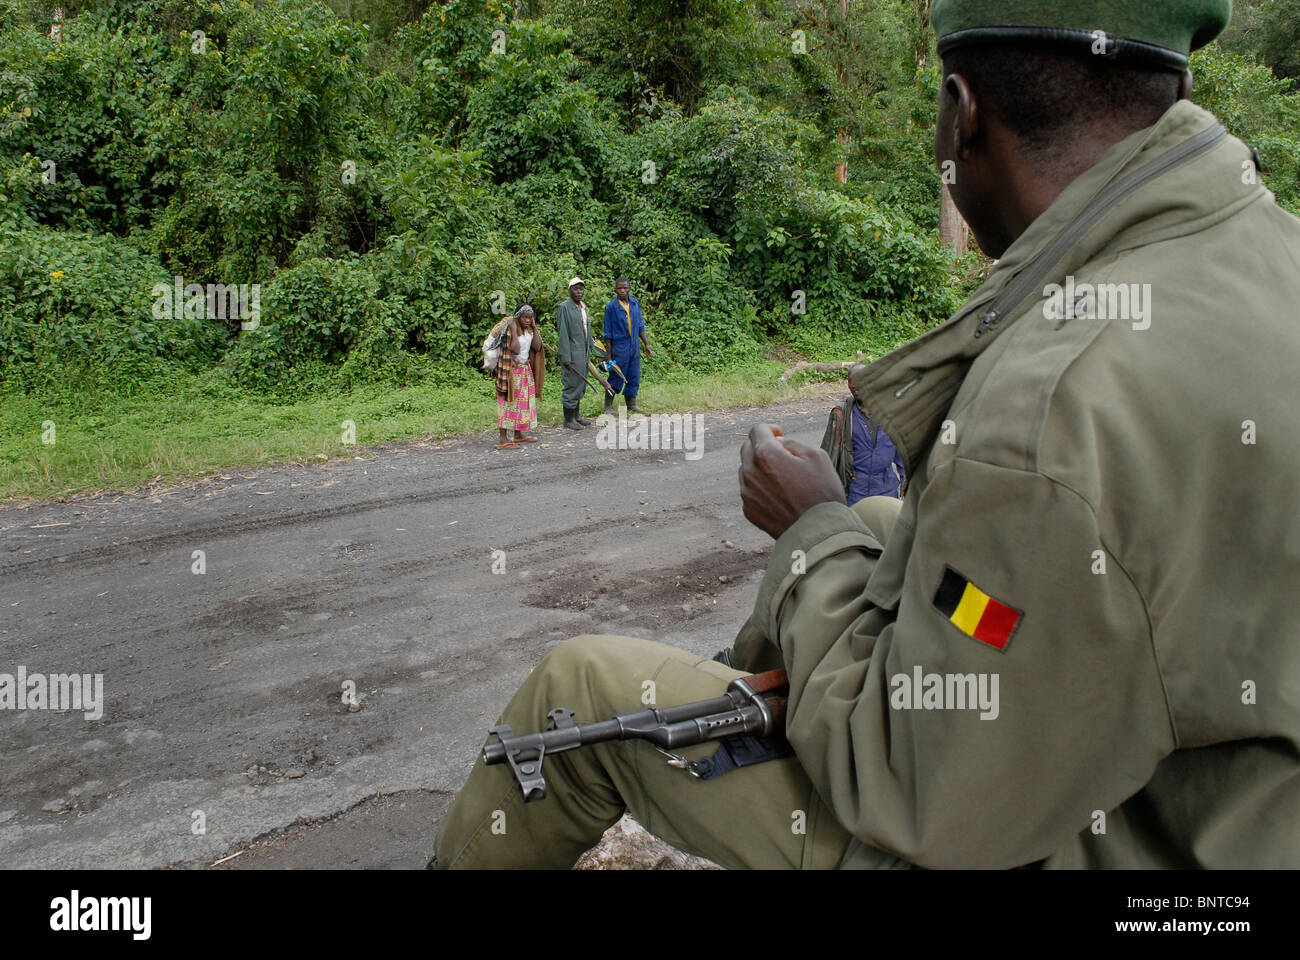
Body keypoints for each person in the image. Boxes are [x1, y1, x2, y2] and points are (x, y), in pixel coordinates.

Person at [434, 0, 1300, 869]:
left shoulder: (1053, 401)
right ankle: (758, 688)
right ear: (1179, 87)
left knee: (578, 697)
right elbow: (1004, 607)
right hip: (1221, 792)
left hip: (1098, 844)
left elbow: (925, 788)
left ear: (964, 115)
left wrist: (810, 529)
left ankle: (753, 706)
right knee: (887, 527)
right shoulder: (1272, 253)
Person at [492, 305, 545, 450]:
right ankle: (503, 439)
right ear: (518, 317)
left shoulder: (529, 330)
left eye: (530, 317)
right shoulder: (511, 330)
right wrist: (515, 330)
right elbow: (514, 349)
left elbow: (537, 346)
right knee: (507, 403)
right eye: (524, 317)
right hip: (510, 373)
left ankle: (518, 434)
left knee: (521, 404)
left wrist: (534, 328)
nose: (527, 320)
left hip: (524, 371)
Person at [600, 278, 652, 415]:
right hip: (619, 347)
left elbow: (640, 325)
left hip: (634, 346)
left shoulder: (635, 303)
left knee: (633, 375)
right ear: (615, 289)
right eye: (619, 288)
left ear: (629, 288)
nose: (622, 290)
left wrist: (646, 344)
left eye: (625, 288)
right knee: (616, 375)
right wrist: (609, 354)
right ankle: (608, 406)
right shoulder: (611, 307)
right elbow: (608, 332)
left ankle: (631, 404)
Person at [556, 277, 595, 430]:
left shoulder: (583, 308)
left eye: (581, 289)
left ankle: (577, 416)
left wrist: (592, 347)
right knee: (572, 384)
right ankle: (568, 419)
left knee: (581, 383)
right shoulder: (564, 307)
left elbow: (587, 331)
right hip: (572, 352)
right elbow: (563, 333)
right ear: (570, 290)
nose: (579, 292)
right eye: (575, 289)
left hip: (584, 352)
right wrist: (565, 356)